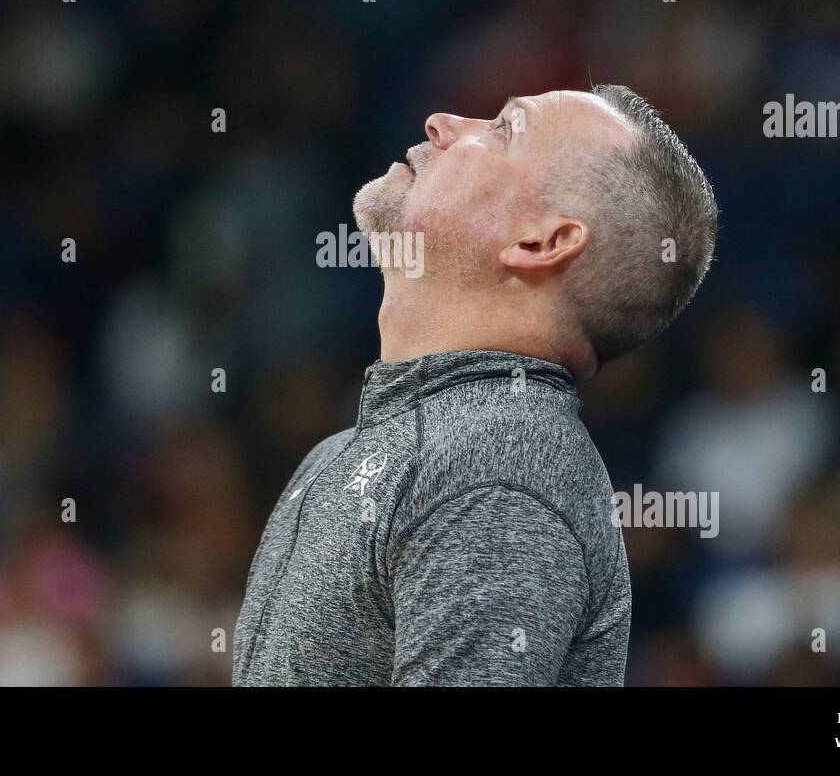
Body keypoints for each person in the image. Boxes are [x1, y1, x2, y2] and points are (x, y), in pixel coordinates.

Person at [233, 86, 719, 685]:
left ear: (541, 242)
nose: (441, 122)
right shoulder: (349, 453)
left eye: (503, 129)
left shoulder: (501, 478)